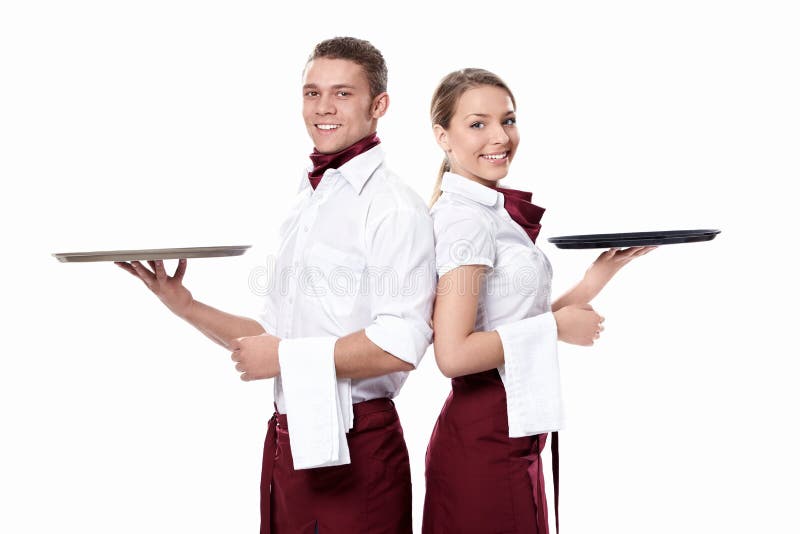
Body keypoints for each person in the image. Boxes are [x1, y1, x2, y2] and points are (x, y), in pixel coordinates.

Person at [116, 37, 435, 534]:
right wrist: (183, 304)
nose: (323, 107)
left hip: (359, 444)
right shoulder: (306, 201)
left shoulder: (394, 206)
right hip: (289, 441)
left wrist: (284, 357)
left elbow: (402, 344)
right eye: (311, 93)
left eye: (342, 94)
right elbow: (271, 334)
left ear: (379, 106)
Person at [421, 68, 655, 534]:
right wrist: (555, 328)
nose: (499, 136)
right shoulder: (466, 222)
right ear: (442, 136)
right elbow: (454, 354)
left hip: (510, 431)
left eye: (508, 120)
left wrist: (593, 281)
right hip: (486, 438)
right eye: (477, 123)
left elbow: (508, 321)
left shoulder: (485, 212)